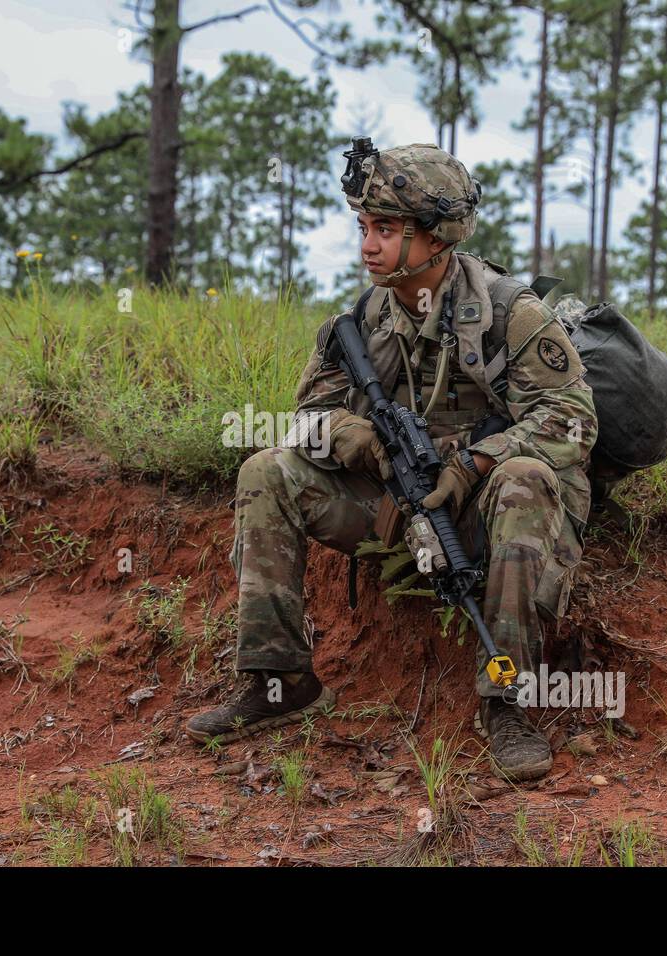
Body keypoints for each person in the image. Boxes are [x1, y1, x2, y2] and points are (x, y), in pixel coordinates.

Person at [184, 142, 597, 781]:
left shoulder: (511, 315)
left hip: (486, 508)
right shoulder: (363, 319)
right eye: (364, 228)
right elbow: (308, 416)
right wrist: (357, 438)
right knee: (266, 472)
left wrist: (475, 464)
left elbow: (572, 420)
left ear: (437, 236)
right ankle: (280, 681)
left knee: (527, 481)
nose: (367, 245)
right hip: (394, 505)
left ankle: (507, 702)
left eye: (386, 230)